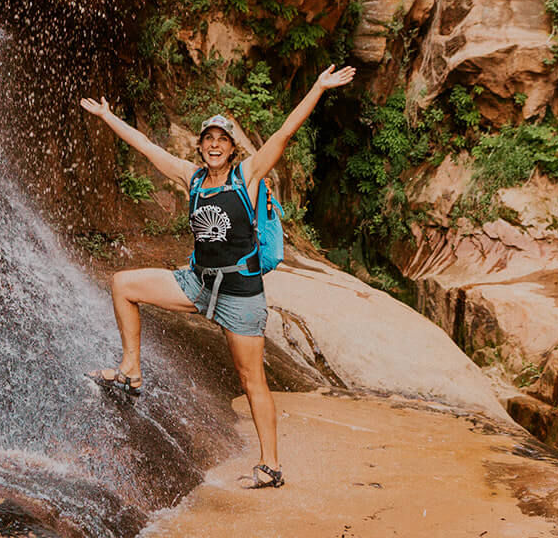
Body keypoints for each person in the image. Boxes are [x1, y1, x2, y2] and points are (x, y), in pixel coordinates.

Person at [80, 64, 355, 489]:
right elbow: (146, 146)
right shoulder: (191, 178)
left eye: (221, 140)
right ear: (200, 146)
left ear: (231, 149)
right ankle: (131, 369)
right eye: (208, 139)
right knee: (123, 284)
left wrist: (319, 87)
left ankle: (271, 465)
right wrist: (107, 116)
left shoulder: (248, 176)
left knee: (251, 379)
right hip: (198, 282)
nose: (213, 145)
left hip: (241, 294)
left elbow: (284, 133)